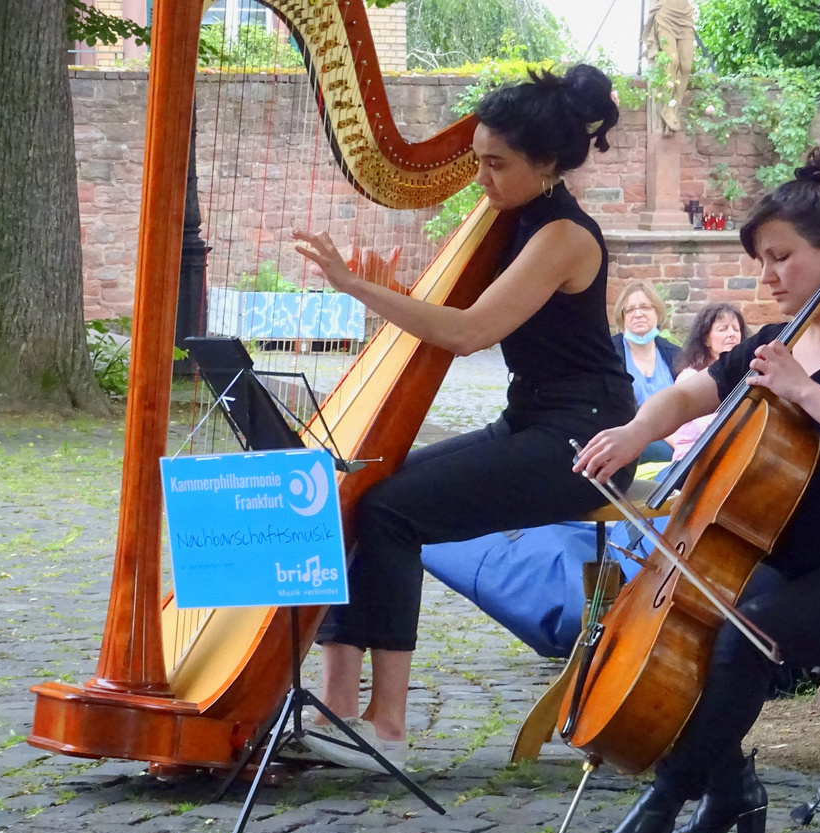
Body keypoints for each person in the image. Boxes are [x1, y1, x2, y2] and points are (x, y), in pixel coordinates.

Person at [571, 147, 820, 833]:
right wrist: (636, 431)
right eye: (762, 261)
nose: (767, 277)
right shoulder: (778, 340)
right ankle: (732, 787)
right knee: (707, 621)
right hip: (790, 560)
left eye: (781, 258)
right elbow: (692, 391)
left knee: (750, 635)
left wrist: (803, 389)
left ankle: (663, 802)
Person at [291, 65, 634, 772]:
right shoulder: (518, 218)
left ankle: (387, 726)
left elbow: (469, 332)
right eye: (477, 160)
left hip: (584, 440)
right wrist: (393, 290)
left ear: (547, 163)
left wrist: (357, 288)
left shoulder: (563, 236)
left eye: (496, 164)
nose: (481, 178)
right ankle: (338, 704)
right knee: (358, 490)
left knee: (393, 512)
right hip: (531, 421)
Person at [610, 282, 681, 463]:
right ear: (622, 317)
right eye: (630, 310)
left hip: (676, 436)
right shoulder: (609, 354)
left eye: (645, 307)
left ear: (657, 312)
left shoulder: (676, 355)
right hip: (631, 439)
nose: (638, 314)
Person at [668, 302, 746, 459]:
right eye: (723, 329)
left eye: (736, 329)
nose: (732, 334)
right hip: (693, 461)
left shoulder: (746, 376)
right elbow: (709, 428)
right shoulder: (689, 377)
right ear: (706, 340)